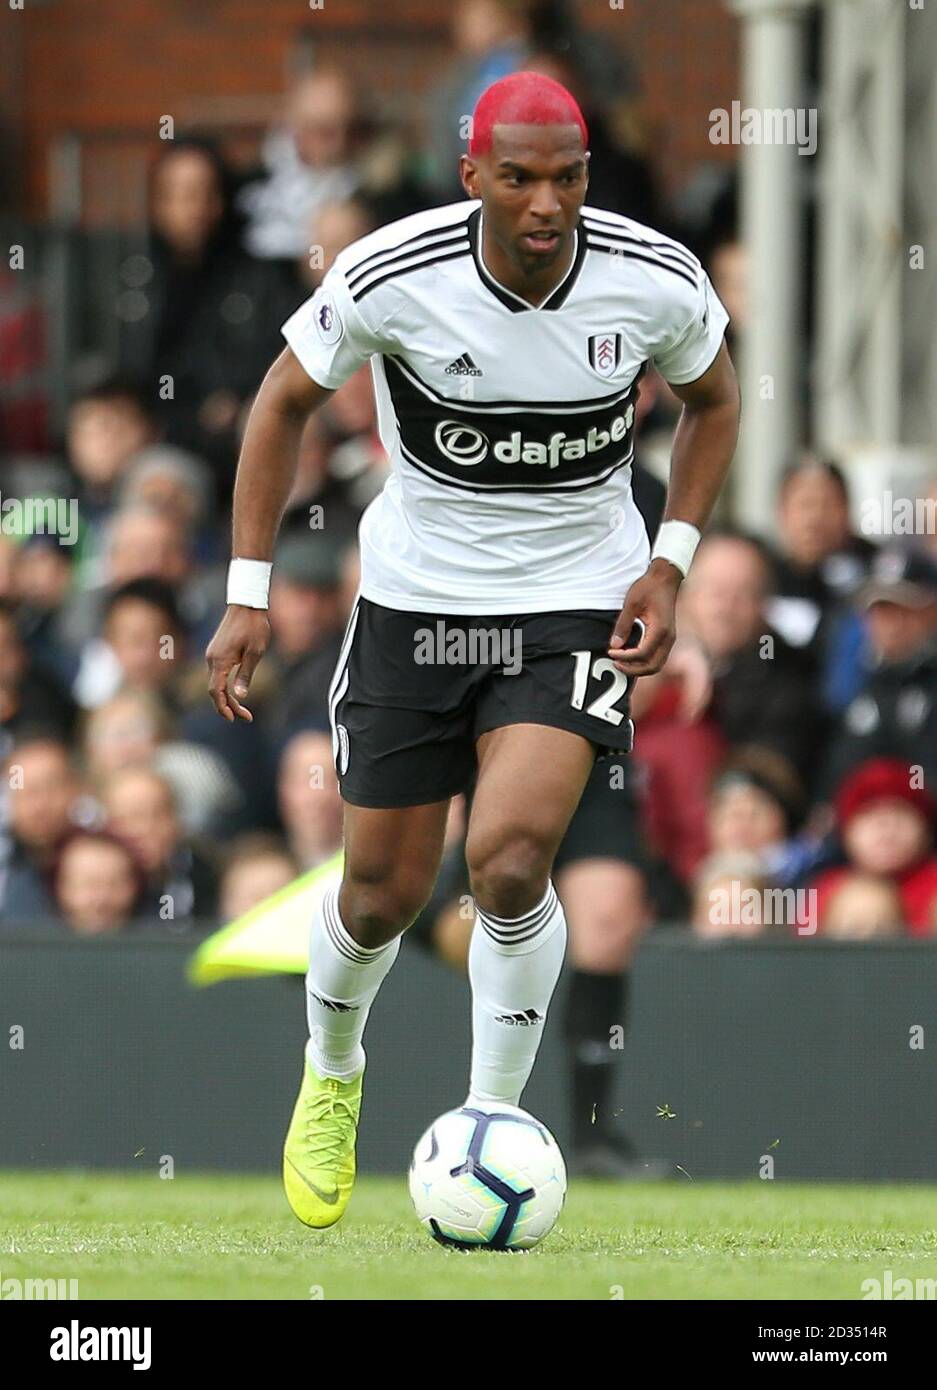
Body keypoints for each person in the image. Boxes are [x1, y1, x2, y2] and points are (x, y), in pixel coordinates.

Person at [205, 72, 739, 1230]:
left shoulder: (655, 278)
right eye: (519, 178)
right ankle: (334, 1070)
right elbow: (278, 405)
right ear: (472, 179)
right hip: (414, 608)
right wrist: (249, 591)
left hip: (574, 605)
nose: (546, 203)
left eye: (567, 176)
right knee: (380, 896)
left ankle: (491, 1118)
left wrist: (670, 559)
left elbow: (716, 398)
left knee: (506, 862)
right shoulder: (395, 275)